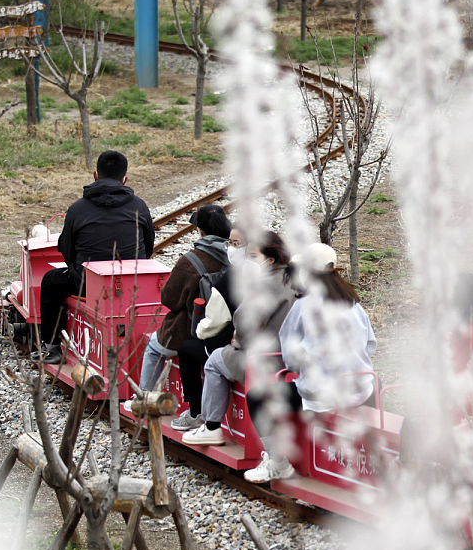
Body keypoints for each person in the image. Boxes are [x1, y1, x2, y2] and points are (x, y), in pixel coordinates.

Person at [243, 243, 377, 483]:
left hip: (323, 393)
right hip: (361, 387)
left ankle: (278, 462)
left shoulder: (305, 304)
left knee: (257, 397)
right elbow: (370, 344)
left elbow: (291, 354)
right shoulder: (353, 302)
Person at [36, 150, 153, 364]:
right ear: (125, 179)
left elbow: (66, 250)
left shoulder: (77, 209)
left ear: (95, 175)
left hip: (87, 284)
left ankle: (52, 347)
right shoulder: (140, 206)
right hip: (132, 283)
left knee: (51, 280)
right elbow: (148, 246)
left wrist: (79, 269)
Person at [182, 233, 295, 446]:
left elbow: (243, 323)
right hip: (291, 358)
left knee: (215, 359)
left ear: (269, 260)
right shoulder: (295, 279)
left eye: (253, 256)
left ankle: (211, 426)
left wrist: (237, 343)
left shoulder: (262, 285)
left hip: (263, 360)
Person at [132, 204, 232, 427]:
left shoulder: (192, 260)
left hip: (190, 329)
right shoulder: (234, 255)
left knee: (153, 346)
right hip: (225, 329)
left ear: (201, 231)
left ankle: (145, 398)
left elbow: (168, 298)